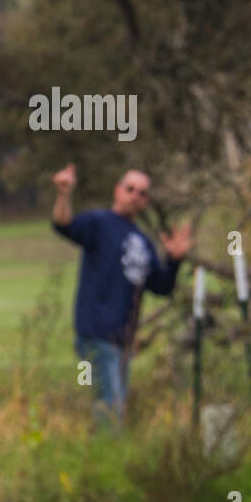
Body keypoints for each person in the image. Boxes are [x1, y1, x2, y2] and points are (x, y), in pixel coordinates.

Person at [51, 163, 192, 426]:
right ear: (118, 191)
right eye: (130, 189)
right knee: (111, 404)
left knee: (114, 407)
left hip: (124, 339)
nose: (136, 196)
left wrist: (174, 261)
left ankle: (102, 457)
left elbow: (162, 286)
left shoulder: (142, 241)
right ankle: (104, 459)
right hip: (97, 333)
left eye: (142, 193)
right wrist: (63, 194)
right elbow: (63, 225)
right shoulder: (99, 223)